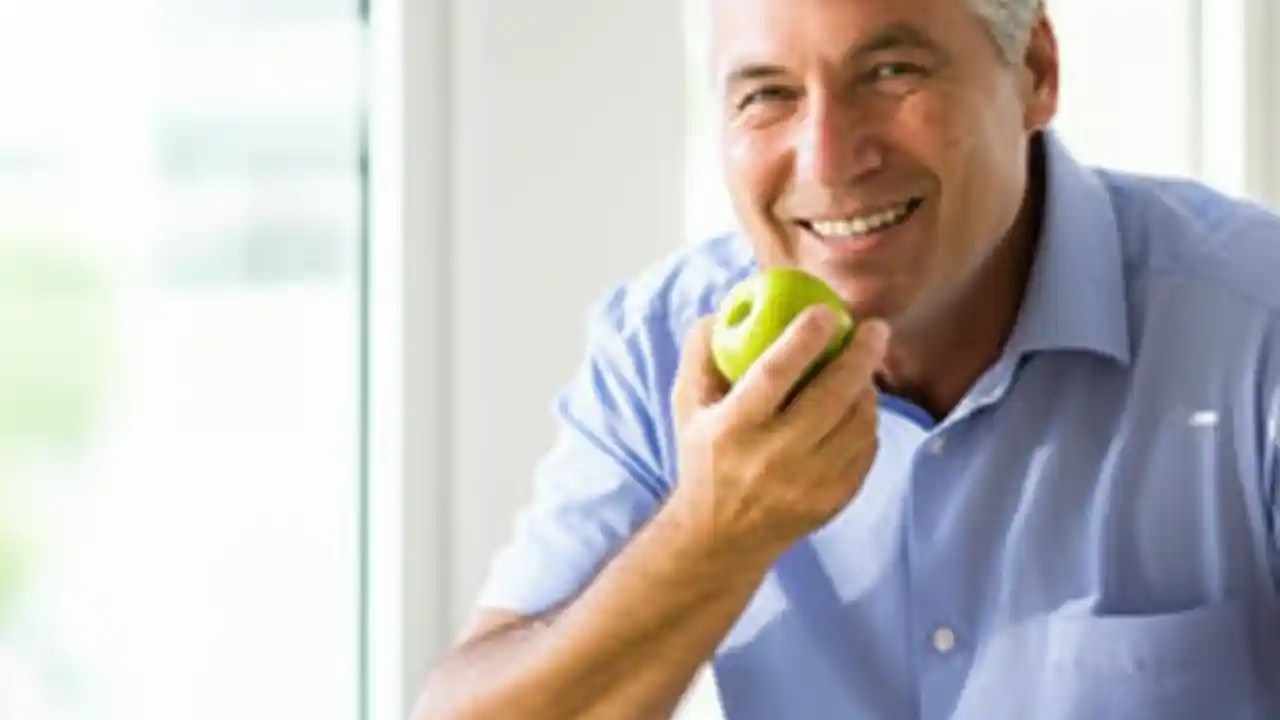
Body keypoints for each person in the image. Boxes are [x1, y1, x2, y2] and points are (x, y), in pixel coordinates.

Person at [415, 0, 1280, 717]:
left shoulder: (1256, 332)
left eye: (891, 73)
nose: (829, 160)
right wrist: (716, 533)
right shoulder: (665, 348)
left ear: (1037, 74)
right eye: (767, 95)